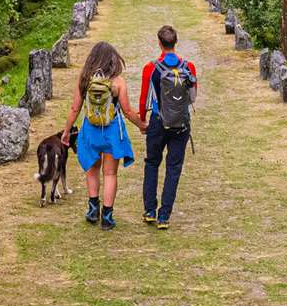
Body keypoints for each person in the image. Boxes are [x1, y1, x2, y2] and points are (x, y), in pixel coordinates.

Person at [62, 41, 143, 229]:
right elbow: (128, 110)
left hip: (90, 131)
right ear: (113, 60)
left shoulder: (84, 78)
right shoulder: (118, 81)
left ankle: (92, 209)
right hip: (111, 132)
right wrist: (141, 125)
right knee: (110, 173)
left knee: (92, 170)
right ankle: (107, 216)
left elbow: (75, 108)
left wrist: (67, 131)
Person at [136, 24, 197, 229]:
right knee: (173, 168)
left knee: (152, 163)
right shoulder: (189, 67)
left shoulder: (150, 68)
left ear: (159, 43)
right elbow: (192, 97)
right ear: (175, 42)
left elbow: (144, 98)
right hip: (180, 123)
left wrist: (142, 121)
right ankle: (164, 216)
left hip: (157, 121)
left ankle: (150, 210)